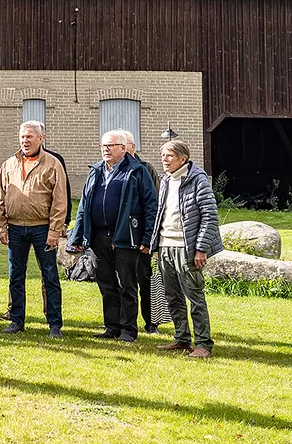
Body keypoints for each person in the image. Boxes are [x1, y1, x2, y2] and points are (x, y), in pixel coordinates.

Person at [68, 129, 158, 342]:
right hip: (99, 238)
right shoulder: (96, 170)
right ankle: (112, 327)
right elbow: (84, 205)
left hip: (126, 237)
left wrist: (147, 239)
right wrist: (78, 237)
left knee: (127, 285)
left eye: (111, 146)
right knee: (106, 284)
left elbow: (151, 205)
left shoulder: (137, 171)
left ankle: (128, 330)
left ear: (123, 148)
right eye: (103, 146)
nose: (106, 149)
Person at [0, 120, 68, 338]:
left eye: (30, 137)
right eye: (22, 137)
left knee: (50, 276)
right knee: (15, 276)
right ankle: (17, 320)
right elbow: (0, 196)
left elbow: (60, 201)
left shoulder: (53, 164)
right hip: (16, 229)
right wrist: (2, 226)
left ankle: (55, 324)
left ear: (41, 139)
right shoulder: (9, 164)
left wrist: (55, 231)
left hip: (42, 229)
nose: (25, 141)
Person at [151, 139, 223, 358]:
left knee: (194, 296)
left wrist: (201, 248)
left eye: (169, 156)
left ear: (183, 158)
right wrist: (153, 244)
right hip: (165, 246)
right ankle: (182, 340)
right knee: (172, 297)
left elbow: (210, 216)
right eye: (163, 155)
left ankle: (203, 344)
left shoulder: (198, 179)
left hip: (187, 247)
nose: (164, 160)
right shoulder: (165, 180)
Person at [121, 129, 162, 334]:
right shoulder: (110, 168)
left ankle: (150, 321)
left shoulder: (145, 169)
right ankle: (124, 322)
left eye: (123, 144)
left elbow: (153, 204)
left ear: (132, 147)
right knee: (122, 282)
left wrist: (150, 238)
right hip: (119, 238)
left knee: (144, 279)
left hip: (140, 236)